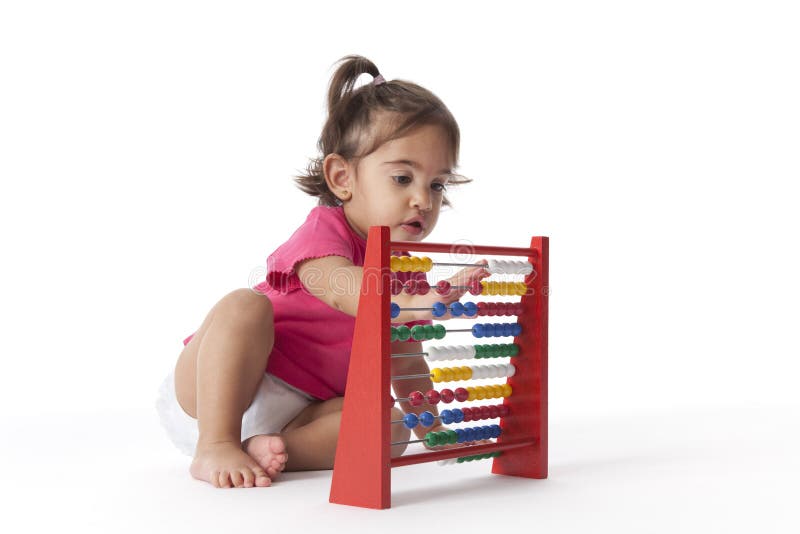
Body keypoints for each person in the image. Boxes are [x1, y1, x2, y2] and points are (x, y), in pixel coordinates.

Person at [156, 55, 490, 489]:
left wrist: (432, 426)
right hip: (218, 389)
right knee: (244, 305)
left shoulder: (407, 273)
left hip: (303, 412)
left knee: (390, 426)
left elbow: (406, 360)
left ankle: (270, 450)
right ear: (341, 177)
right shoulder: (325, 231)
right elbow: (340, 287)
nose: (423, 201)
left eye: (437, 184)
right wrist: (409, 304)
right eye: (402, 178)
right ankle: (216, 445)